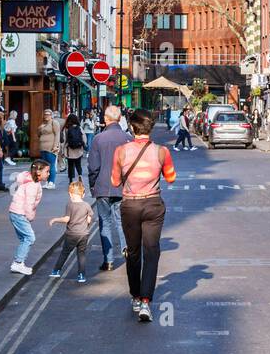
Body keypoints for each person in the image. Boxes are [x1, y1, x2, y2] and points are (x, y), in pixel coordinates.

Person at [111, 110, 177, 323]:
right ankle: (147, 301)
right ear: (151, 128)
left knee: (133, 252)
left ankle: (136, 296)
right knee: (152, 251)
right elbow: (171, 178)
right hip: (153, 204)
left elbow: (114, 182)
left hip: (130, 205)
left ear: (132, 128)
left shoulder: (121, 151)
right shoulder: (161, 151)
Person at [87, 104, 131, 272]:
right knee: (121, 222)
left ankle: (109, 261)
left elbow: (93, 167)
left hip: (103, 187)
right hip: (122, 187)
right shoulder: (128, 138)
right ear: (119, 118)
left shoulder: (98, 139)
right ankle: (127, 253)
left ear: (105, 119)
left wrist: (93, 185)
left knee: (105, 223)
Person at [8, 159, 50, 275]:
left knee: (24, 238)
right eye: (47, 171)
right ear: (38, 172)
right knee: (30, 237)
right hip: (20, 213)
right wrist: (30, 216)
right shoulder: (33, 184)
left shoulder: (30, 180)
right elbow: (29, 203)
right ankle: (17, 263)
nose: (49, 174)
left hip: (15, 212)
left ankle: (19, 263)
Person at [48, 180, 95, 283]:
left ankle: (56, 271)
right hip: (84, 234)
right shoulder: (87, 205)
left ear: (70, 194)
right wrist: (86, 224)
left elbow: (66, 219)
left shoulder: (70, 205)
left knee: (65, 253)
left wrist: (55, 219)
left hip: (72, 234)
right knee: (81, 254)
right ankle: (81, 275)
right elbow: (89, 219)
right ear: (83, 194)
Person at [38, 109, 60, 189]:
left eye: (48, 114)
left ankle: (51, 182)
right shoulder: (43, 124)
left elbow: (57, 134)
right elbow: (38, 134)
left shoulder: (54, 123)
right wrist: (40, 128)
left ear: (51, 115)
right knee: (45, 166)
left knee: (51, 165)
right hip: (43, 148)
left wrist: (55, 146)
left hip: (50, 148)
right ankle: (47, 181)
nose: (46, 116)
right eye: (45, 114)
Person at [63, 113, 87, 184]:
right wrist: (83, 145)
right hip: (78, 149)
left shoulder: (67, 128)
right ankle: (80, 175)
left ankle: (71, 180)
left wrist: (63, 150)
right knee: (78, 164)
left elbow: (64, 140)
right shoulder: (79, 128)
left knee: (70, 165)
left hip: (70, 149)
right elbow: (84, 137)